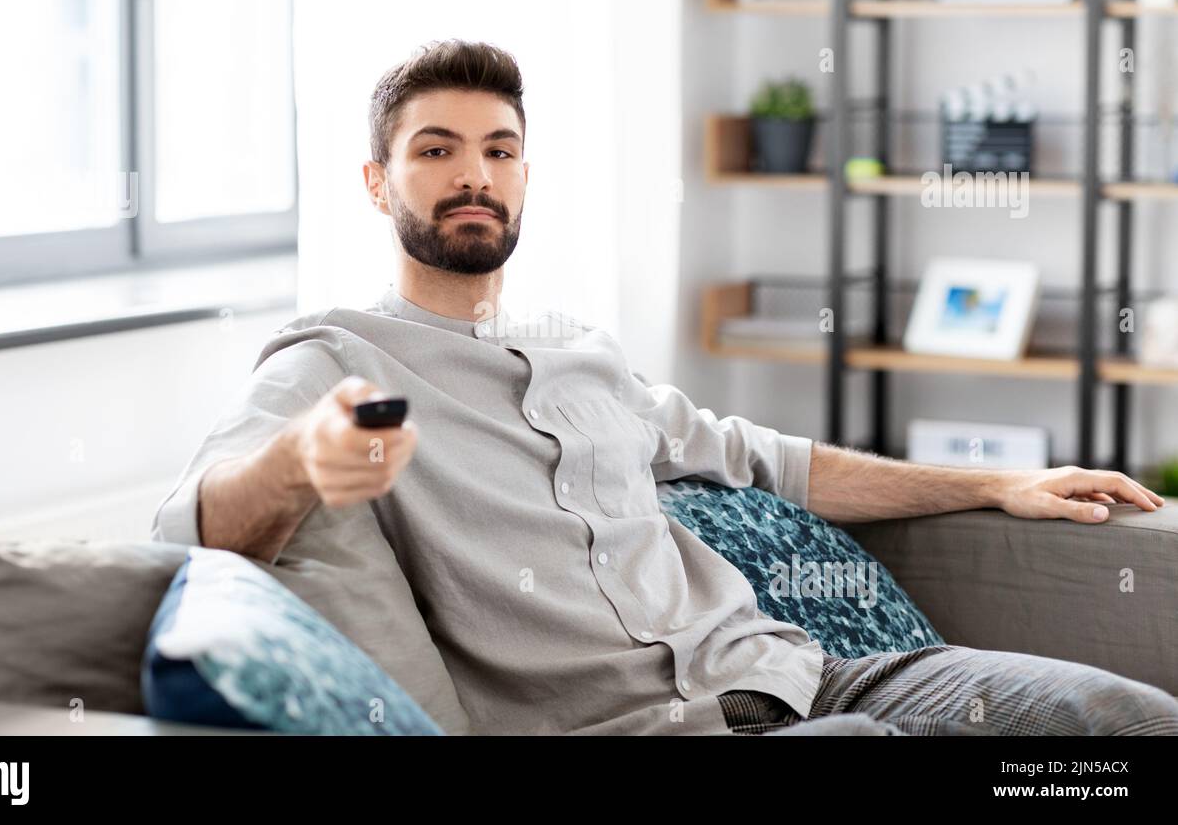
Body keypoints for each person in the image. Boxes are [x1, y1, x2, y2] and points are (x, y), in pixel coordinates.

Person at [152, 39, 1177, 736]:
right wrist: (297, 463)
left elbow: (775, 462)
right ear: (378, 183)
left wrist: (993, 485)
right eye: (436, 151)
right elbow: (185, 530)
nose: (475, 175)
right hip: (651, 727)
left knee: (1122, 721)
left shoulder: (584, 353)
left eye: (499, 150)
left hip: (803, 675)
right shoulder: (335, 361)